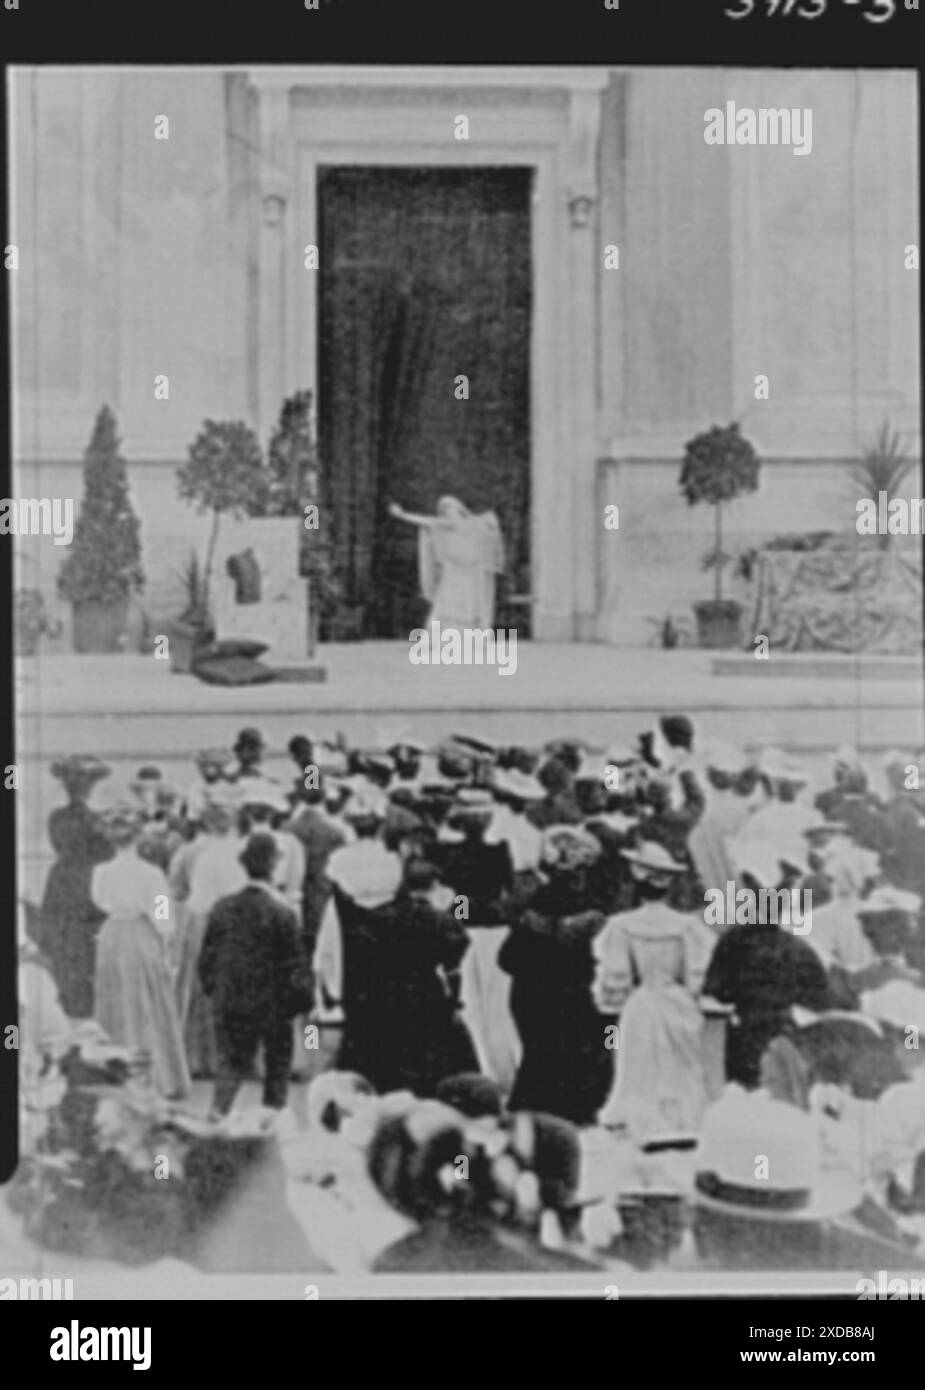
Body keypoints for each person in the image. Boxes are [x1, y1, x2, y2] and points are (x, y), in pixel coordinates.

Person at [500, 826, 611, 1125]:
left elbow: (507, 959)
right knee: (579, 1050)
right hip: (572, 993)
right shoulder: (593, 909)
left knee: (538, 1053)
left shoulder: (533, 906)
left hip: (530, 993)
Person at [198, 832, 313, 1118]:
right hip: (272, 1006)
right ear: (274, 866)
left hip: (230, 1001)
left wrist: (216, 992)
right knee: (277, 1069)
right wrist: (302, 1004)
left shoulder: (222, 908)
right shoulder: (283, 913)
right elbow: (296, 966)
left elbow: (206, 960)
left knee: (229, 1065)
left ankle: (216, 1116)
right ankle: (271, 1123)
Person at [701, 840, 833, 1088]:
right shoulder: (797, 947)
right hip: (783, 1027)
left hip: (745, 1027)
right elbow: (820, 996)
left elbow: (715, 990)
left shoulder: (733, 941)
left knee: (744, 1091)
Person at [91, 802, 190, 1099]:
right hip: (140, 935)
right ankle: (156, 1073)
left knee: (115, 1000)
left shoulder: (100, 872)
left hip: (111, 936)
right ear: (138, 838)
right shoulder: (151, 874)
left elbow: (99, 901)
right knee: (147, 1001)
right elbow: (163, 917)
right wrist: (167, 942)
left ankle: (117, 1070)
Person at [40, 754, 114, 1018]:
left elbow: (160, 900)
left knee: (74, 950)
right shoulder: (90, 824)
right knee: (73, 949)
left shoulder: (66, 820)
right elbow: (160, 901)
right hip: (82, 889)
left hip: (79, 890)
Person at [389, 495, 503, 630]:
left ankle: (469, 636)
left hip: (471, 572)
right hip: (454, 572)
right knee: (447, 604)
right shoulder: (444, 525)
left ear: (459, 509)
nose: (448, 514)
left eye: (450, 509)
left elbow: (490, 529)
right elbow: (426, 521)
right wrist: (402, 515)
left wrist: (490, 526)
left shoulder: (475, 524)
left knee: (469, 605)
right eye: (444, 512)